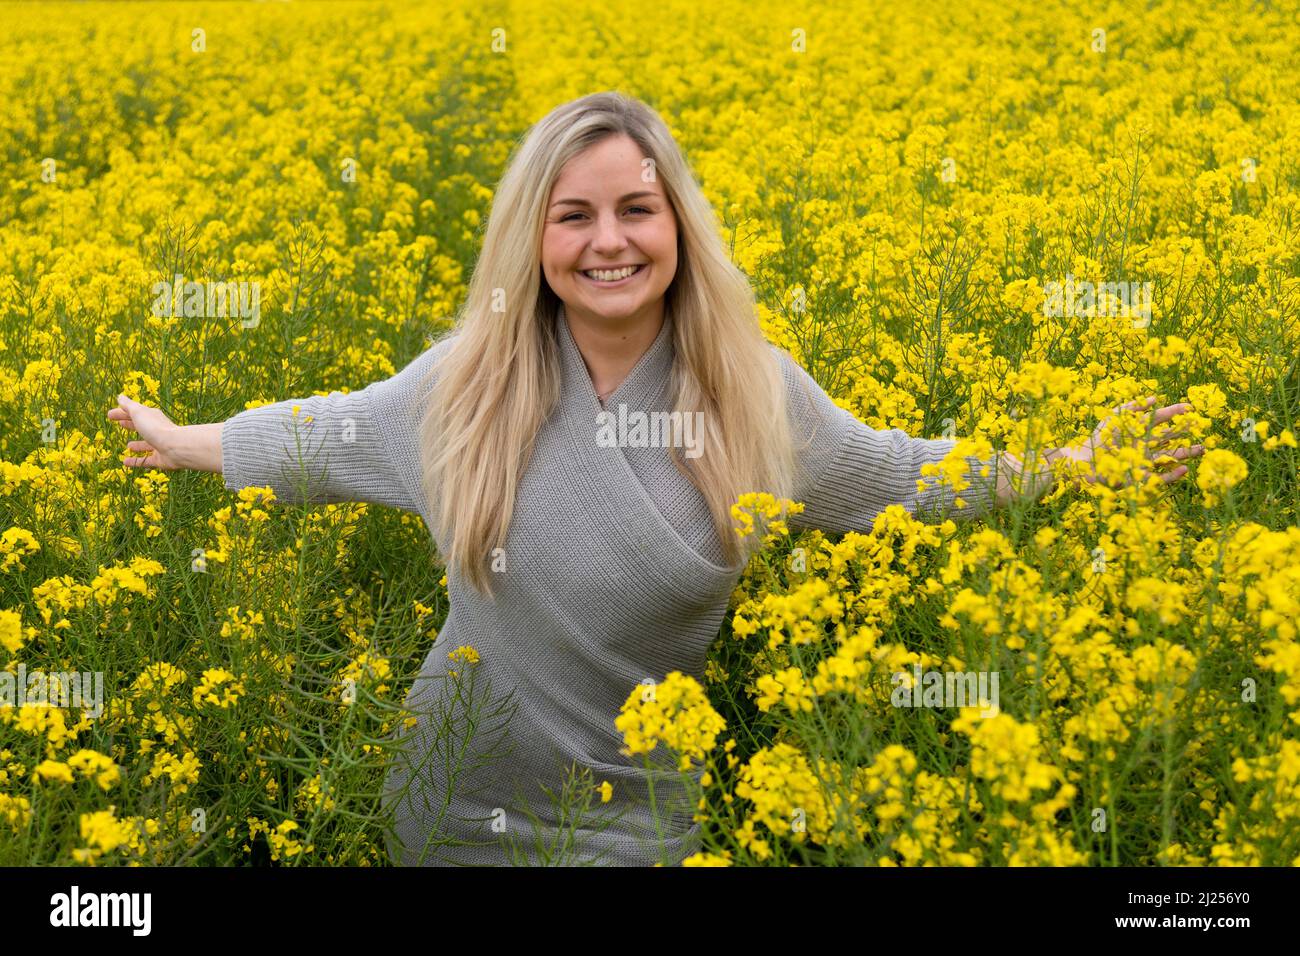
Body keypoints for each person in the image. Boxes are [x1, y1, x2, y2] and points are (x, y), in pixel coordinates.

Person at [105, 91, 1203, 866]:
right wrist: (182, 437)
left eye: (635, 209)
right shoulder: (471, 385)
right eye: (572, 215)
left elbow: (900, 475)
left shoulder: (753, 399)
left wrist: (1068, 467)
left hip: (631, 821)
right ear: (532, 239)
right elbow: (329, 434)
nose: (608, 242)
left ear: (676, 221)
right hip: (444, 801)